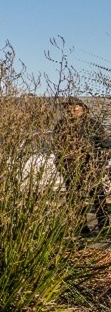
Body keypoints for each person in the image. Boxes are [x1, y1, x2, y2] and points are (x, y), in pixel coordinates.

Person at [56, 97, 110, 231]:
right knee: (74, 196)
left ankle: (103, 223)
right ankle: (80, 226)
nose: (72, 112)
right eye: (69, 110)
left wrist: (100, 158)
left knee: (98, 195)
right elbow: (56, 146)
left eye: (75, 109)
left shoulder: (91, 124)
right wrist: (60, 162)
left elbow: (105, 142)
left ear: (82, 109)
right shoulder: (62, 125)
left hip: (90, 165)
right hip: (70, 166)